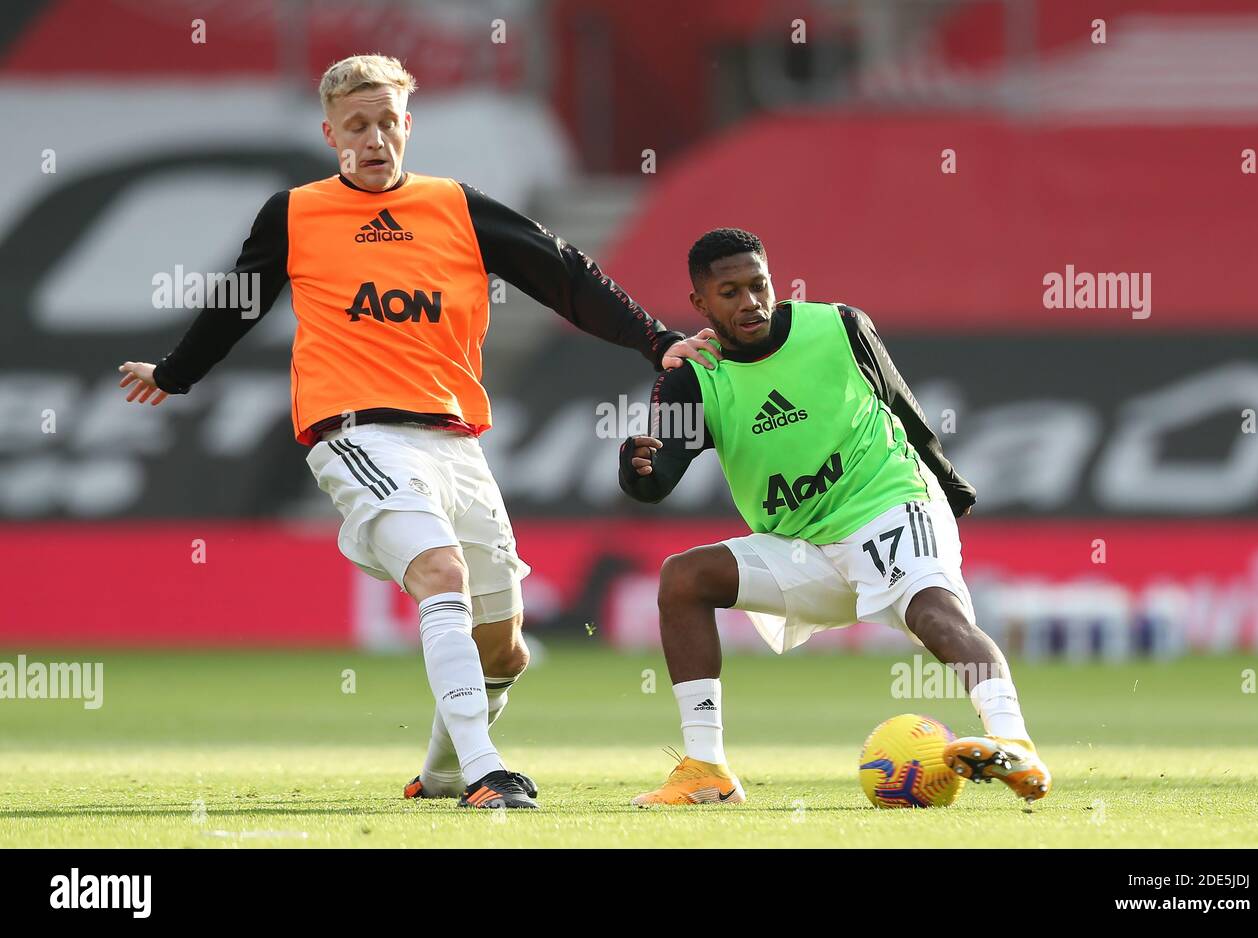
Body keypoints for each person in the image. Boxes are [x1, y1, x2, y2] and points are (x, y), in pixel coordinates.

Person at [118, 54, 718, 810]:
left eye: (386, 123)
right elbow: (239, 303)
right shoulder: (296, 212)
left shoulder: (456, 207)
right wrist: (176, 372)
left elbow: (563, 274)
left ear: (409, 124)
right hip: (357, 435)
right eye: (356, 126)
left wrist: (655, 340)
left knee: (505, 647)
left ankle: (438, 773)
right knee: (439, 573)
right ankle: (484, 771)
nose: (373, 140)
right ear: (330, 131)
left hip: (456, 441)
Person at [617, 227, 1051, 806]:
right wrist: (636, 469)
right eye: (730, 292)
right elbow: (660, 476)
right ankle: (707, 770)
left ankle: (1014, 742)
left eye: (758, 285)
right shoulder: (691, 377)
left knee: (933, 612)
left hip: (886, 505)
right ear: (700, 304)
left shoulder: (839, 327)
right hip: (801, 546)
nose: (750, 302)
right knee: (683, 579)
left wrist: (947, 483)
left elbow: (901, 403)